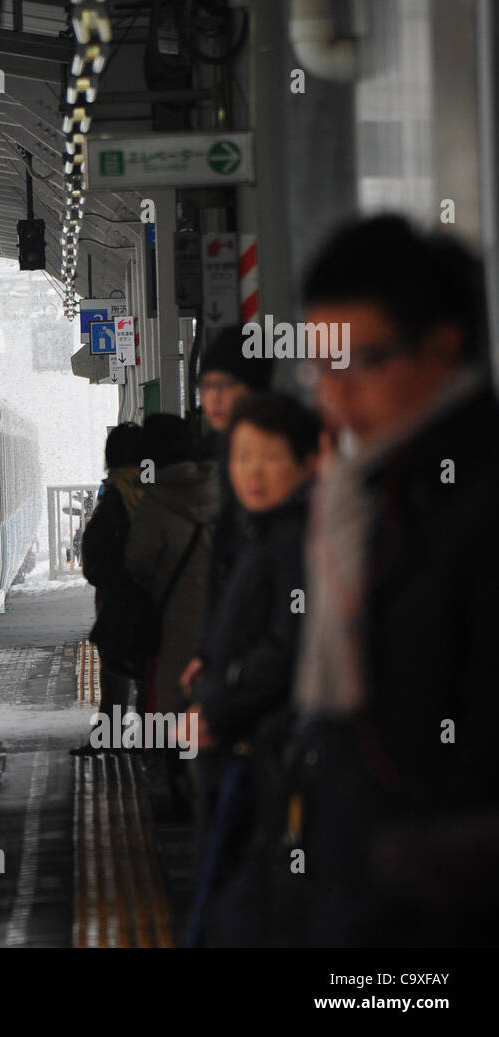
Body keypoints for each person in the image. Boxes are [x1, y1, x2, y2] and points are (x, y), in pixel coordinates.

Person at [281, 214, 499, 945]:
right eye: (319, 366)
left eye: (359, 363)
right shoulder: (369, 482)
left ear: (442, 347)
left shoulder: (465, 495)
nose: (332, 396)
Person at [182, 391, 320, 945]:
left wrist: (219, 705)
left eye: (270, 456)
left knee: (238, 907)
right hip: (249, 749)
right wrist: (211, 664)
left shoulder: (294, 542)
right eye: (241, 456)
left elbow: (289, 647)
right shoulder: (264, 533)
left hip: (265, 754)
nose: (252, 472)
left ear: (308, 462)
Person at [180, 327, 274, 698]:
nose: (214, 397)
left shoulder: (269, 461)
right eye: (207, 385)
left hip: (255, 672)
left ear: (253, 389)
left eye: (227, 384)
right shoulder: (224, 457)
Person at [125, 414, 220, 717]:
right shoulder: (219, 490)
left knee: (177, 711)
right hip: (224, 620)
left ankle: (178, 760)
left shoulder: (156, 503)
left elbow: (137, 561)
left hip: (176, 625)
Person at [81, 422, 145, 711]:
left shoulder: (117, 495)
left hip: (120, 598)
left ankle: (111, 737)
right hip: (153, 597)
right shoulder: (153, 490)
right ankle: (155, 741)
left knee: (115, 673)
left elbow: (96, 554)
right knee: (148, 675)